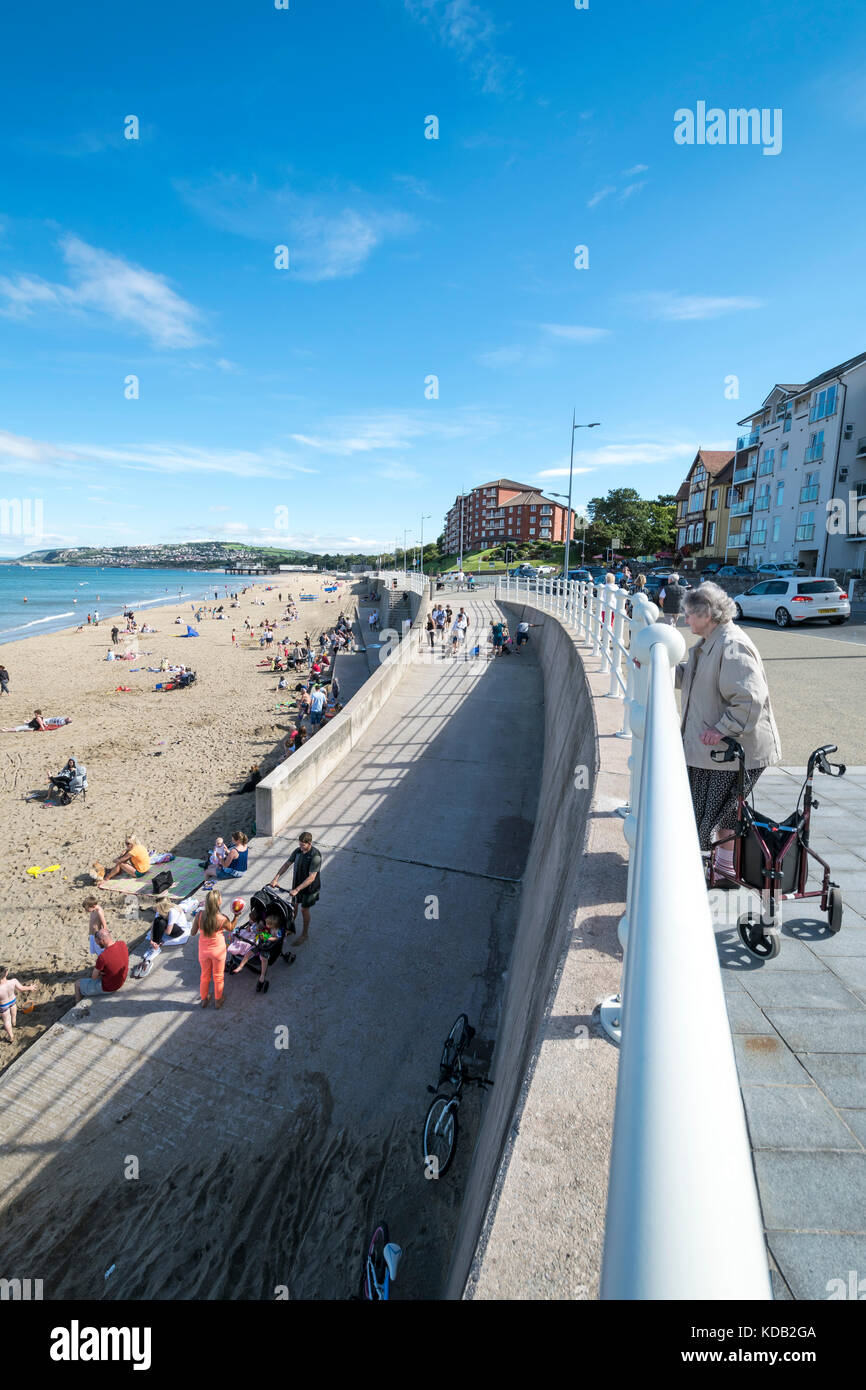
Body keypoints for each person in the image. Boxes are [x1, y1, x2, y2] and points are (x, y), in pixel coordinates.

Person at [677, 582, 781, 867]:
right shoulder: (712, 641)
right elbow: (695, 677)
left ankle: (724, 871)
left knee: (725, 813)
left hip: (734, 751)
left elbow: (749, 698)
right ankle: (721, 868)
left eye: (689, 614)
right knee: (721, 812)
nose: (685, 620)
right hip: (719, 752)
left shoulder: (732, 644)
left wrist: (721, 729)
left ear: (707, 614)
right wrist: (659, 668)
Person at [270, 831, 321, 948]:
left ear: (309, 843)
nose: (301, 847)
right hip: (297, 884)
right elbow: (287, 864)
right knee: (293, 907)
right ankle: (290, 929)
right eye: (300, 844)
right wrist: (275, 879)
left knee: (304, 910)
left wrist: (297, 889)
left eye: (303, 845)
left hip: (310, 889)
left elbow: (311, 877)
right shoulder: (298, 851)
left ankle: (304, 934)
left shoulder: (315, 856)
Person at [190, 890, 235, 1008]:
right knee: (218, 977)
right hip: (218, 952)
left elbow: (193, 933)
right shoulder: (222, 918)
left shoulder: (199, 915)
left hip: (203, 952)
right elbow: (231, 928)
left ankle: (204, 1000)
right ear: (219, 902)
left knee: (204, 976)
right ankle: (218, 1001)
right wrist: (236, 916)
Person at [74, 922, 129, 1002]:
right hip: (121, 980)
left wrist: (99, 973)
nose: (97, 944)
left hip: (110, 987)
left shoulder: (103, 957)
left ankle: (76, 1005)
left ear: (102, 940)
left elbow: (94, 977)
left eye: (97, 942)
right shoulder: (122, 944)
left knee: (77, 984)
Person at [0, 967, 37, 1040]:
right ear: (6, 973)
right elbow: (22, 988)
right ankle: (14, 1022)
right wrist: (30, 987)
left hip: (3, 1005)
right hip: (12, 1001)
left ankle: (11, 1036)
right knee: (13, 1012)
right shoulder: (13, 981)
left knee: (7, 1020)